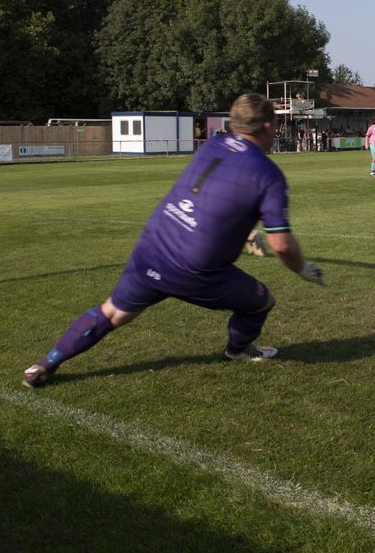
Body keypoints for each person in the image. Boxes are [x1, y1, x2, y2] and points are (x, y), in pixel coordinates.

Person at [22, 94, 326, 388]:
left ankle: (45, 364)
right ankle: (238, 349)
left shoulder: (213, 144)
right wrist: (303, 269)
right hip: (196, 269)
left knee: (112, 312)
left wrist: (245, 231)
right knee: (262, 301)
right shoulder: (269, 174)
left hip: (153, 248)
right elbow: (282, 245)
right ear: (269, 128)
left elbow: (207, 193)